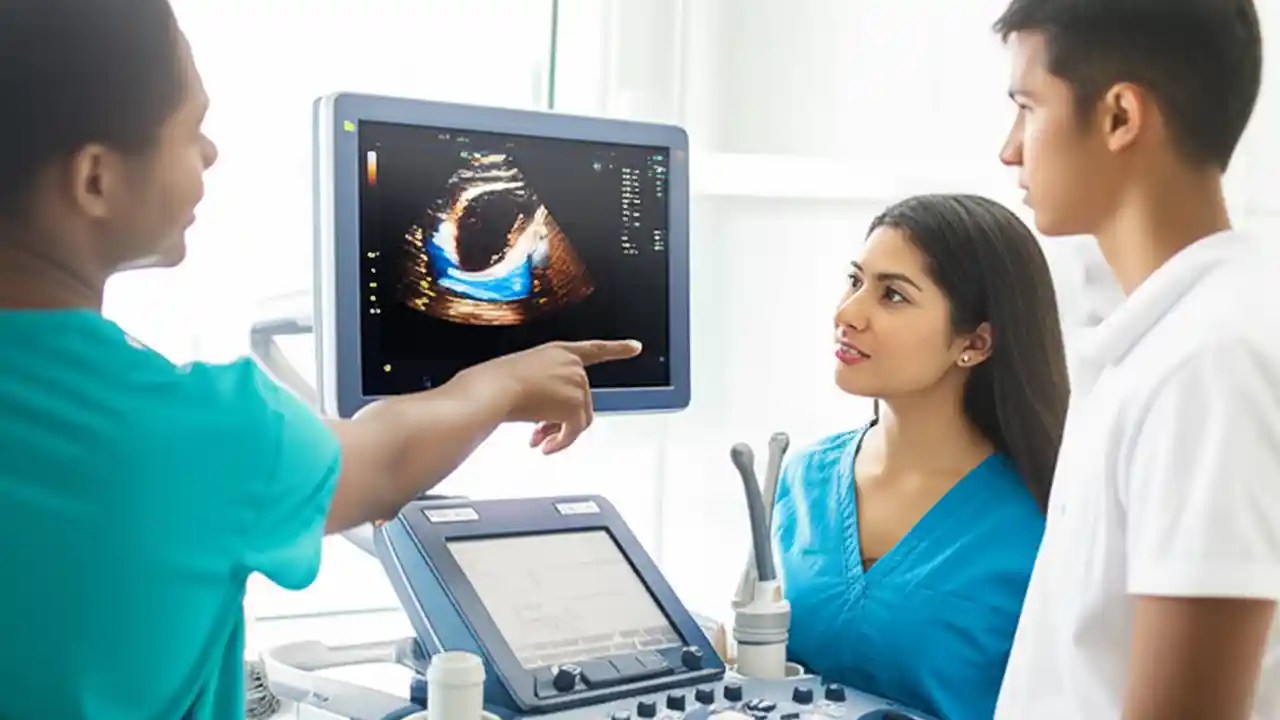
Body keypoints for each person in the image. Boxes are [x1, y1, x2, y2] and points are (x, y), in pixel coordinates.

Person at [0, 1, 640, 717]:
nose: (209, 154)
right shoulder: (188, 433)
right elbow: (384, 461)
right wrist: (500, 384)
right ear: (96, 180)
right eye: (191, 130)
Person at [990, 1, 1280, 718]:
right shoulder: (1159, 341)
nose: (1010, 148)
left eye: (1028, 106)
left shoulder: (1210, 362)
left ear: (1121, 116)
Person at [772, 194, 1071, 720]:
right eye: (855, 280)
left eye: (892, 296)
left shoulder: (1047, 518)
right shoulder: (802, 478)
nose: (848, 313)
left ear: (975, 343)